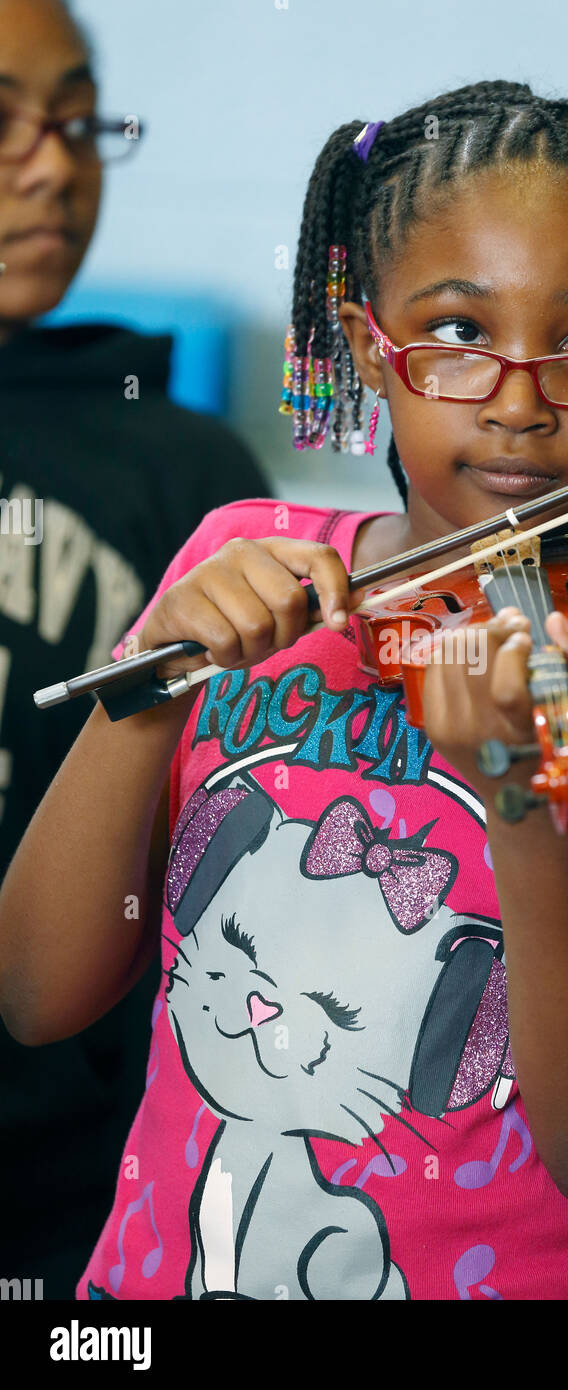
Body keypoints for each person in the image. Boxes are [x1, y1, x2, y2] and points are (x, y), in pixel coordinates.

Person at [0, 81, 568, 1301]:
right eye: (453, 332)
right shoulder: (239, 559)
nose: (514, 399)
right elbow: (34, 995)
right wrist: (153, 691)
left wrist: (528, 804)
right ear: (359, 346)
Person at [0, 0, 269, 1298]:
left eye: (74, 119)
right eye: (0, 118)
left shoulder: (181, 465)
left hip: (79, 1182)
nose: (52, 163)